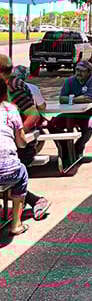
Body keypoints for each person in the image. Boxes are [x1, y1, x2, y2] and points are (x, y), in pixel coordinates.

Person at [0, 56, 50, 219]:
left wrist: (15, 135)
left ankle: (36, 201)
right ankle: (35, 201)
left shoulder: (13, 87)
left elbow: (33, 114)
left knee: (6, 175)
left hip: (22, 145)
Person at [48, 60, 92, 161]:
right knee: (52, 124)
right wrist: (77, 99)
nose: (78, 73)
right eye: (77, 70)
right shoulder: (69, 81)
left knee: (90, 126)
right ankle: (66, 149)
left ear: (89, 72)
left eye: (82, 71)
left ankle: (78, 148)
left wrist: (71, 99)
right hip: (70, 114)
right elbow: (61, 99)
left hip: (89, 113)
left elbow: (89, 98)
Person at [0, 76, 30, 235]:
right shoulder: (10, 109)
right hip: (9, 170)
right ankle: (16, 225)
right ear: (5, 93)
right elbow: (21, 143)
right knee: (22, 173)